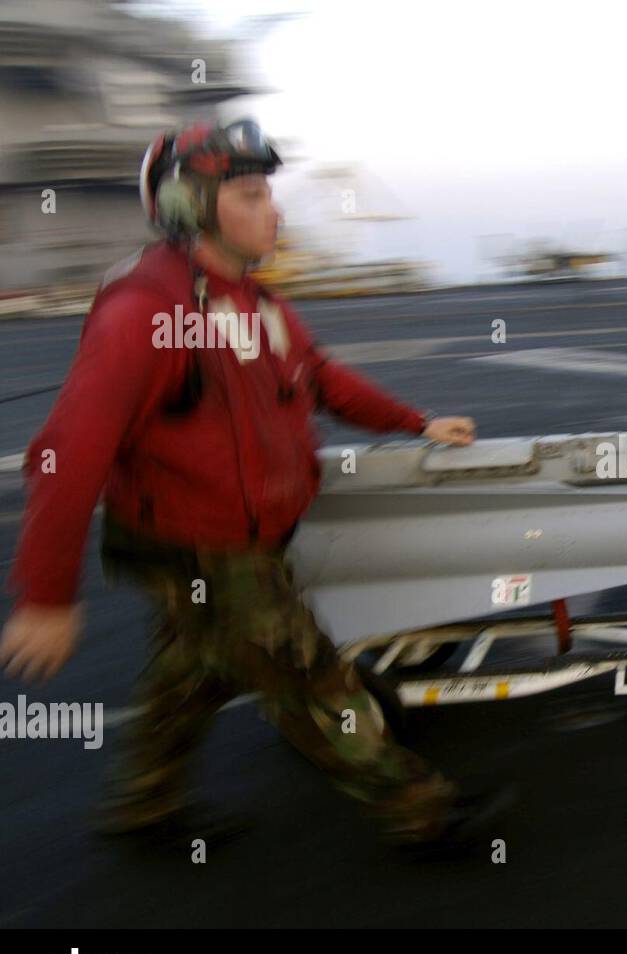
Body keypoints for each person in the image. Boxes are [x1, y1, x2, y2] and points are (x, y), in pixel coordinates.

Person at [0, 118, 510, 850]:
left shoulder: (254, 300)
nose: (274, 211)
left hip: (231, 541)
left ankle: (143, 810)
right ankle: (426, 814)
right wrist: (45, 596)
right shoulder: (149, 308)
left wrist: (415, 421)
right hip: (202, 546)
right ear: (188, 208)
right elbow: (65, 452)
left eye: (267, 192)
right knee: (306, 678)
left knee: (195, 670)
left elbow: (320, 378)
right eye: (249, 194)